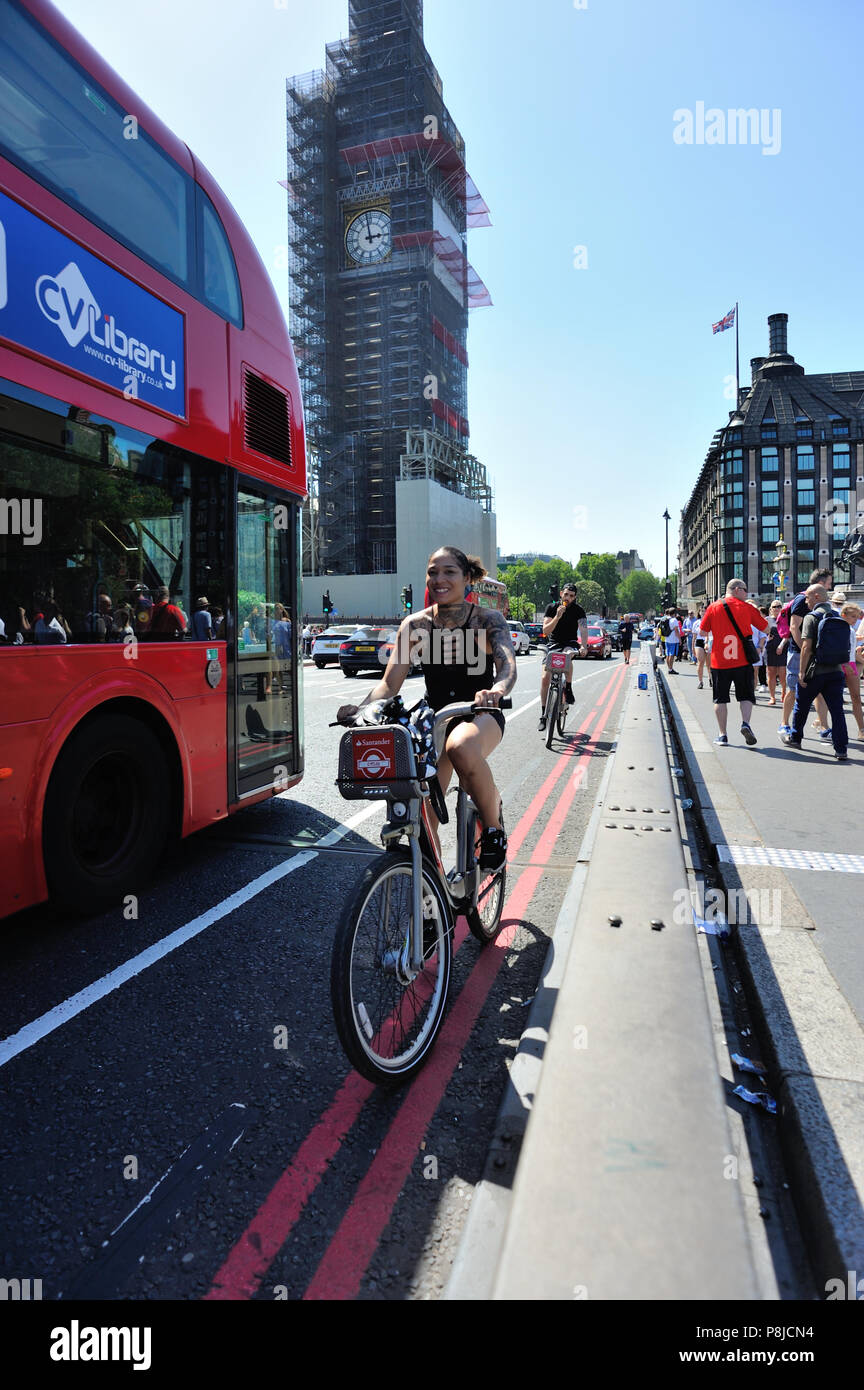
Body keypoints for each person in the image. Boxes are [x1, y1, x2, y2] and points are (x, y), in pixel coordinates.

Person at [337, 546, 517, 870]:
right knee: (422, 817)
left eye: (449, 571)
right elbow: (389, 684)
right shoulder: (415, 625)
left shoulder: (488, 620)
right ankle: (432, 896)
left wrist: (497, 690)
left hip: (481, 715)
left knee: (460, 746)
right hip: (434, 720)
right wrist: (362, 710)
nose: (439, 578)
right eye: (433, 571)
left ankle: (494, 829)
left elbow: (507, 667)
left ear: (466, 579)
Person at [781, 585, 850, 759]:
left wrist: (802, 672)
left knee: (801, 705)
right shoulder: (838, 616)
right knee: (837, 710)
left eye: (808, 598)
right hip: (835, 671)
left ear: (817, 597)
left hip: (815, 671)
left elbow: (806, 647)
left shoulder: (812, 617)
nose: (806, 601)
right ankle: (841, 748)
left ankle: (796, 738)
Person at [698, 578, 769, 746]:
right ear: (736, 589)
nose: (747, 594)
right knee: (745, 696)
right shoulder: (747, 608)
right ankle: (745, 723)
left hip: (719, 663)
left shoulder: (713, 607)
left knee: (720, 699)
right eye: (745, 590)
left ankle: (722, 735)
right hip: (743, 661)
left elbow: (702, 631)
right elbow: (766, 628)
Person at [779, 568, 832, 740]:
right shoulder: (803, 599)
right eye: (829, 582)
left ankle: (824, 727)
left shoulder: (819, 601)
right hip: (798, 652)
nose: (831, 586)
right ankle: (784, 724)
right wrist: (805, 651)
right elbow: (794, 627)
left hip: (813, 652)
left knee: (820, 691)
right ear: (821, 583)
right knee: (794, 689)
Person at [539, 583, 588, 731]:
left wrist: (584, 646)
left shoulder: (578, 611)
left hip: (570, 642)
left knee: (568, 654)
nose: (568, 598)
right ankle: (543, 715)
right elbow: (546, 631)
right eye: (566, 594)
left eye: (572, 596)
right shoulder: (551, 608)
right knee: (545, 678)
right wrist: (557, 617)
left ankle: (568, 687)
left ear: (575, 597)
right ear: (561, 594)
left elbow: (583, 629)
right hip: (553, 643)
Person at [764, 600, 786, 706]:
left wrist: (781, 646)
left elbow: (788, 634)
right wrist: (766, 637)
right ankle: (772, 697)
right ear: (770, 609)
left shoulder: (785, 619)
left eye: (779, 606)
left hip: (783, 647)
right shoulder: (766, 620)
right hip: (770, 648)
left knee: (783, 674)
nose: (777, 608)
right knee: (771, 673)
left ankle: (784, 693)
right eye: (774, 606)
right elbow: (760, 632)